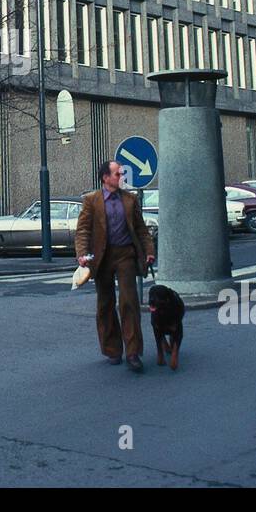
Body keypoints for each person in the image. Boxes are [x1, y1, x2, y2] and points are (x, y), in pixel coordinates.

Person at [75, 160, 156, 373]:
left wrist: (149, 251)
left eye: (121, 173)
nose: (121, 176)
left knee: (129, 301)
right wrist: (82, 254)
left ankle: (133, 352)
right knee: (105, 303)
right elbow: (83, 230)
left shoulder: (130, 200)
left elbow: (141, 229)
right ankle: (112, 349)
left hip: (125, 255)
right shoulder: (92, 201)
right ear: (105, 178)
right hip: (101, 257)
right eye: (118, 174)